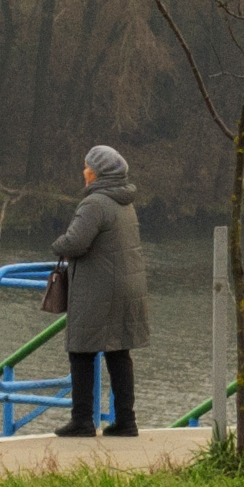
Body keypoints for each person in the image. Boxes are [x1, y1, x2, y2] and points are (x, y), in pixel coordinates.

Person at [48, 145, 150, 436]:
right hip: (127, 286)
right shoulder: (124, 202)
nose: (83, 172)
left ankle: (82, 420)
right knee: (118, 353)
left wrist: (57, 245)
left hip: (98, 290)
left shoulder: (95, 204)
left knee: (81, 350)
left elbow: (75, 243)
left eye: (86, 167)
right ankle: (126, 421)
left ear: (97, 173)